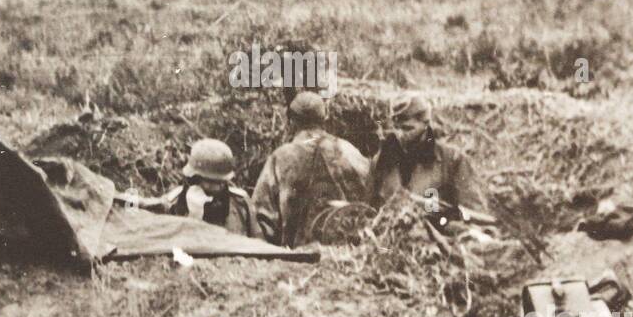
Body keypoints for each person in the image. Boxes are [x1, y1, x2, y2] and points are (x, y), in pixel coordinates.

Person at [251, 92, 370, 246]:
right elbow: (370, 198)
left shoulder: (281, 157)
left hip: (297, 259)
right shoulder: (350, 151)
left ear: (292, 122)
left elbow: (262, 219)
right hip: (346, 257)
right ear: (325, 119)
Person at [368, 94, 488, 217]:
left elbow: (475, 214)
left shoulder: (452, 160)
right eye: (397, 128)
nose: (400, 135)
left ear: (425, 123)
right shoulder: (382, 162)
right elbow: (369, 211)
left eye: (407, 129)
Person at [161, 138, 261, 237]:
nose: (218, 187)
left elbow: (259, 246)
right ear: (195, 179)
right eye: (210, 182)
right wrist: (194, 215)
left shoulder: (240, 203)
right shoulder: (173, 204)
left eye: (221, 182)